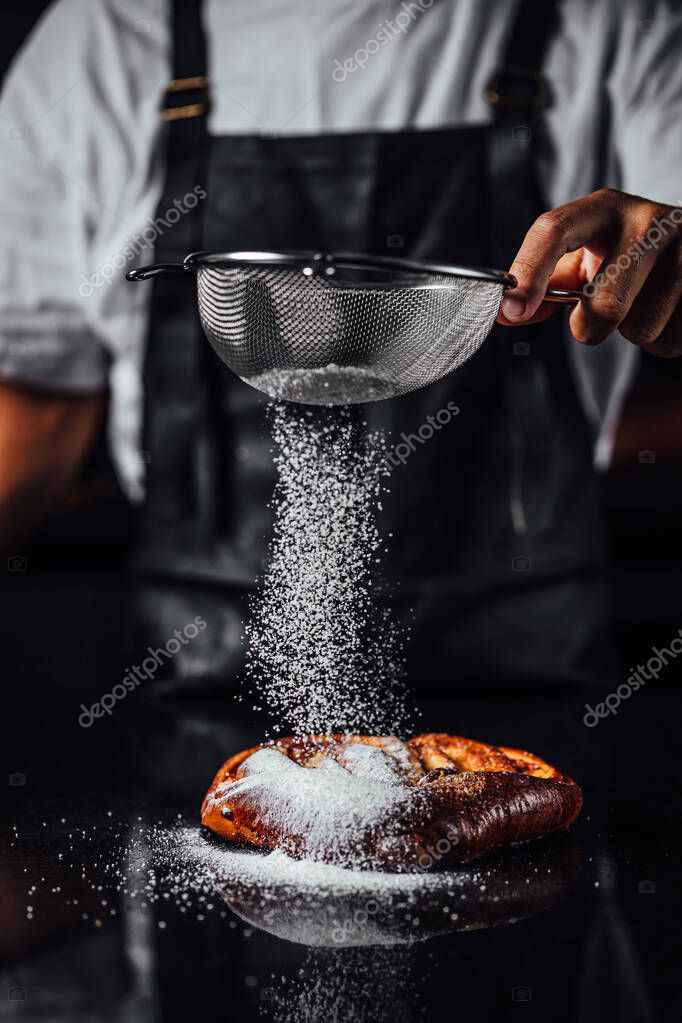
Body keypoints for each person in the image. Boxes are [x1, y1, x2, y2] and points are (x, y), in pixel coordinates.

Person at [0, 0, 680, 689]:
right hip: (198, 680)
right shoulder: (106, 30)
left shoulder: (614, 18)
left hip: (533, 681)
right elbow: (39, 409)